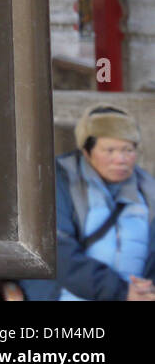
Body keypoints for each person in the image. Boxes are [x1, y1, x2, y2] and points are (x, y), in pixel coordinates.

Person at [18, 103, 155, 301]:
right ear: (86, 151)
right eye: (109, 150)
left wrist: (148, 287)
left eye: (128, 149)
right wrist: (121, 292)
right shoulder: (59, 181)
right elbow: (58, 252)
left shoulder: (147, 187)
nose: (121, 159)